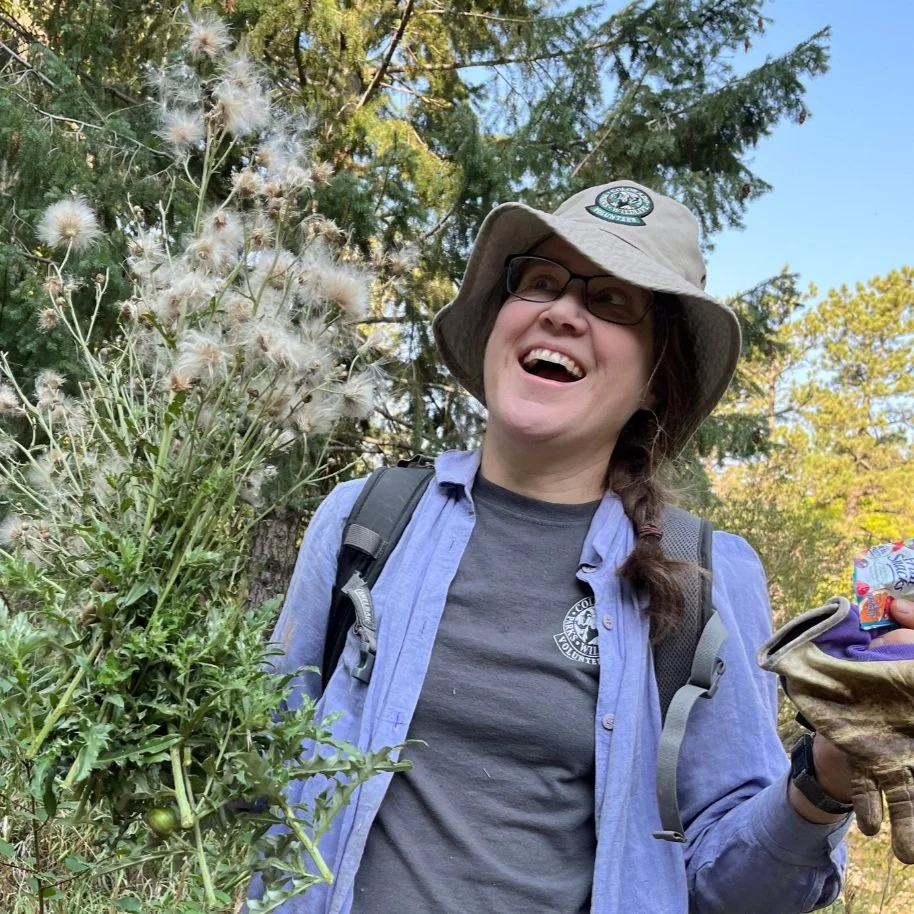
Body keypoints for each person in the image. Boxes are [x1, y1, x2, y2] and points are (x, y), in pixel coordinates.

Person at [264, 180, 914, 914]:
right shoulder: (368, 520)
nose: (564, 311)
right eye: (540, 281)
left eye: (611, 301)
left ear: (653, 381)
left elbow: (734, 893)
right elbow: (253, 778)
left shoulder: (701, 575)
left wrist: (820, 780)